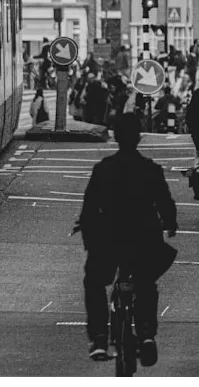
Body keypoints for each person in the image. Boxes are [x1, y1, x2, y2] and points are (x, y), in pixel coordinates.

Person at [78, 113, 178, 364]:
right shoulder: (150, 169)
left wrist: (88, 235)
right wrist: (170, 223)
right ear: (139, 138)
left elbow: (89, 207)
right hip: (144, 239)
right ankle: (146, 334)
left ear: (115, 137)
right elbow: (165, 202)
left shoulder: (103, 169)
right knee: (145, 282)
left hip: (108, 239)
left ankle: (100, 337)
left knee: (94, 282)